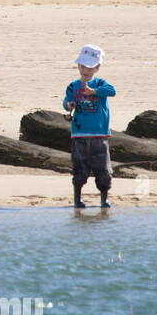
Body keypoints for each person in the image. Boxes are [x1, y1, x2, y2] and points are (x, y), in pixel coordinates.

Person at [63, 44, 116, 209]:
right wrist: (69, 105)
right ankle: (78, 199)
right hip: (79, 134)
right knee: (79, 168)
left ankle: (104, 199)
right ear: (79, 66)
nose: (85, 70)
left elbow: (112, 91)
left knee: (103, 169)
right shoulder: (73, 86)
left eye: (90, 67)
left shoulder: (100, 84)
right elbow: (66, 101)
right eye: (83, 66)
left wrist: (94, 92)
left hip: (99, 134)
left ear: (97, 68)